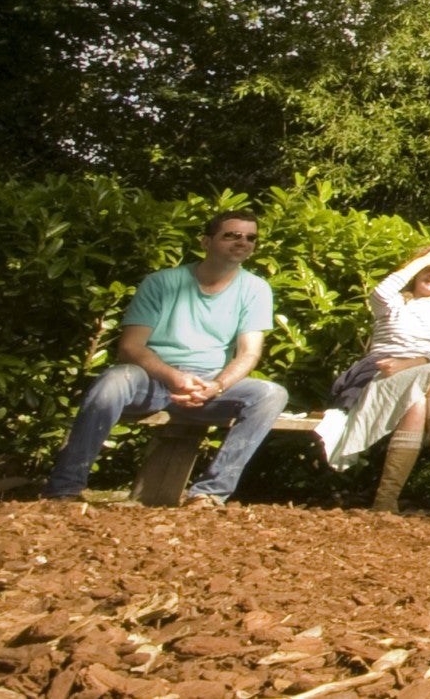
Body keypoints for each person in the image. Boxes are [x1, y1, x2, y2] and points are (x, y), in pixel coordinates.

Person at [42, 211, 288, 506]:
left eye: (250, 237)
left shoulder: (256, 289)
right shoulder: (161, 283)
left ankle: (208, 495)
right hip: (153, 380)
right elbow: (130, 347)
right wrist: (174, 377)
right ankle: (64, 489)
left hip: (207, 386)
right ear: (206, 242)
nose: (243, 242)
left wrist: (217, 386)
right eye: (232, 235)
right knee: (112, 380)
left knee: (272, 394)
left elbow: (250, 353)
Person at [318, 244, 430, 512]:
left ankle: (385, 500)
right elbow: (379, 293)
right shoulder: (394, 303)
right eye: (429, 268)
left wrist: (409, 363)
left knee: (421, 399)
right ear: (416, 269)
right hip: (381, 374)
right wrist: (421, 261)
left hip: (415, 372)